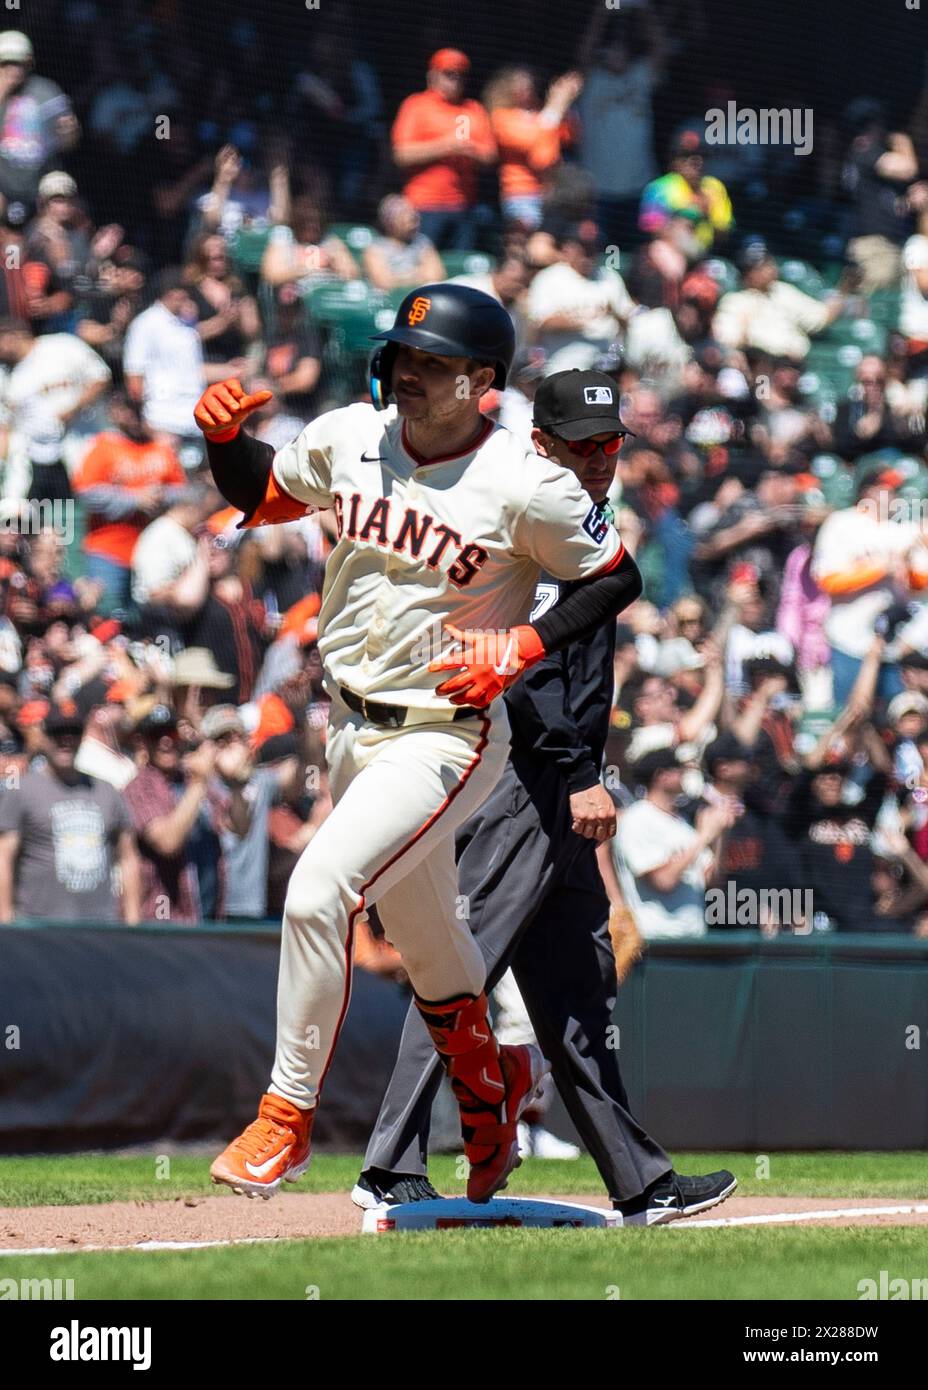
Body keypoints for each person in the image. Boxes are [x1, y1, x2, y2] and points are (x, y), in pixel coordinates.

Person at [196, 282, 643, 1204]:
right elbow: (266, 493)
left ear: (483, 381)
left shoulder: (529, 483)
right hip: (348, 725)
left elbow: (617, 577)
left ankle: (285, 1116)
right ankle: (494, 1083)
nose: (408, 375)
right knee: (434, 941)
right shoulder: (349, 436)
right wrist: (223, 445)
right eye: (403, 358)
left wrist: (526, 641)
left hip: (447, 735)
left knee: (321, 891)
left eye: (432, 364)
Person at [354, 368, 736, 1223]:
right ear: (542, 443)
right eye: (582, 445)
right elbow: (517, 674)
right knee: (458, 972)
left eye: (611, 445)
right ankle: (389, 1165)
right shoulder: (523, 514)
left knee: (576, 994)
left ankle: (639, 1181)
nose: (601, 459)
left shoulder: (581, 520)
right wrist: (577, 775)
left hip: (559, 786)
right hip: (522, 778)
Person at [0, 702, 139, 924]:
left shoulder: (106, 790)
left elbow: (128, 857)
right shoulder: (22, 790)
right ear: (45, 736)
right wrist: (5, 921)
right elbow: (4, 857)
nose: (66, 740)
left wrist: (133, 922)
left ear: (82, 736)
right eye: (58, 732)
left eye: (73, 732)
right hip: (39, 927)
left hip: (99, 926)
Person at [71, 392, 187, 614]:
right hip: (108, 549)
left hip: (153, 550)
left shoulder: (159, 448)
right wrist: (135, 499)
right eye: (126, 409)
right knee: (107, 615)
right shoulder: (103, 446)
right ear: (115, 412)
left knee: (148, 620)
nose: (132, 416)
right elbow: (85, 492)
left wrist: (160, 496)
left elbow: (183, 493)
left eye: (136, 409)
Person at [612, 746, 738, 939]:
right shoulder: (637, 819)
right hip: (655, 940)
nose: (684, 775)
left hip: (694, 937)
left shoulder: (682, 824)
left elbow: (713, 883)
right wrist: (704, 836)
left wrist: (720, 833)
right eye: (678, 769)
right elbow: (663, 881)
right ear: (661, 775)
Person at [391, 49, 496, 251]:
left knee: (459, 268)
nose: (455, 80)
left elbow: (491, 156)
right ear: (433, 74)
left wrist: (469, 151)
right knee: (425, 266)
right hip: (424, 205)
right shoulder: (416, 105)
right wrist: (446, 146)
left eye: (460, 75)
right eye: (449, 73)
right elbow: (401, 154)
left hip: (464, 206)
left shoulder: (473, 109)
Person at [0, 316, 111, 501]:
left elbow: (101, 377)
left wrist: (74, 407)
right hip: (35, 457)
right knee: (36, 517)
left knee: (79, 507)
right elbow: (6, 426)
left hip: (81, 444)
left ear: (13, 335)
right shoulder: (7, 376)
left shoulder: (61, 346)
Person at [712, 239, 848, 362]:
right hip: (760, 366)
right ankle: (762, 389)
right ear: (748, 274)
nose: (769, 268)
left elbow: (819, 317)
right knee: (762, 386)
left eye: (769, 262)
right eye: (762, 266)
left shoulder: (783, 291)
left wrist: (844, 289)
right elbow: (727, 339)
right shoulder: (735, 301)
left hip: (792, 368)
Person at [525, 221, 634, 373]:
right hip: (562, 366)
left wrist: (615, 313)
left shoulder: (609, 276)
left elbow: (628, 316)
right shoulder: (549, 278)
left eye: (593, 247)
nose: (589, 253)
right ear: (567, 248)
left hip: (605, 366)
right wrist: (587, 321)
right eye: (583, 247)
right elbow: (541, 321)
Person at [483, 67, 581, 231]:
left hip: (550, 193)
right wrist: (555, 106)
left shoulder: (540, 114)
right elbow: (540, 158)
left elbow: (568, 137)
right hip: (521, 194)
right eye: (518, 83)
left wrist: (564, 103)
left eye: (528, 84)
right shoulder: (500, 117)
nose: (524, 88)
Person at [0, 31, 79, 220]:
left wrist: (70, 131)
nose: (14, 69)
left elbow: (70, 145)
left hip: (42, 187)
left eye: (19, 63)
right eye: (7, 62)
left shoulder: (47, 91)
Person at [639, 127, 733, 254]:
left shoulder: (714, 186)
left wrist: (708, 213)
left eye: (701, 154)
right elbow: (651, 229)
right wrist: (683, 219)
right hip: (670, 252)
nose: (696, 161)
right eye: (687, 156)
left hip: (708, 253)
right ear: (674, 160)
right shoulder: (659, 187)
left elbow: (724, 233)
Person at [362, 195, 445, 292]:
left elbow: (436, 276)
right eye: (405, 216)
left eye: (413, 217)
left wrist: (397, 277)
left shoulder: (422, 242)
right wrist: (419, 273)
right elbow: (383, 283)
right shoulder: (375, 248)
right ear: (390, 222)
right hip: (386, 303)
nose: (413, 220)